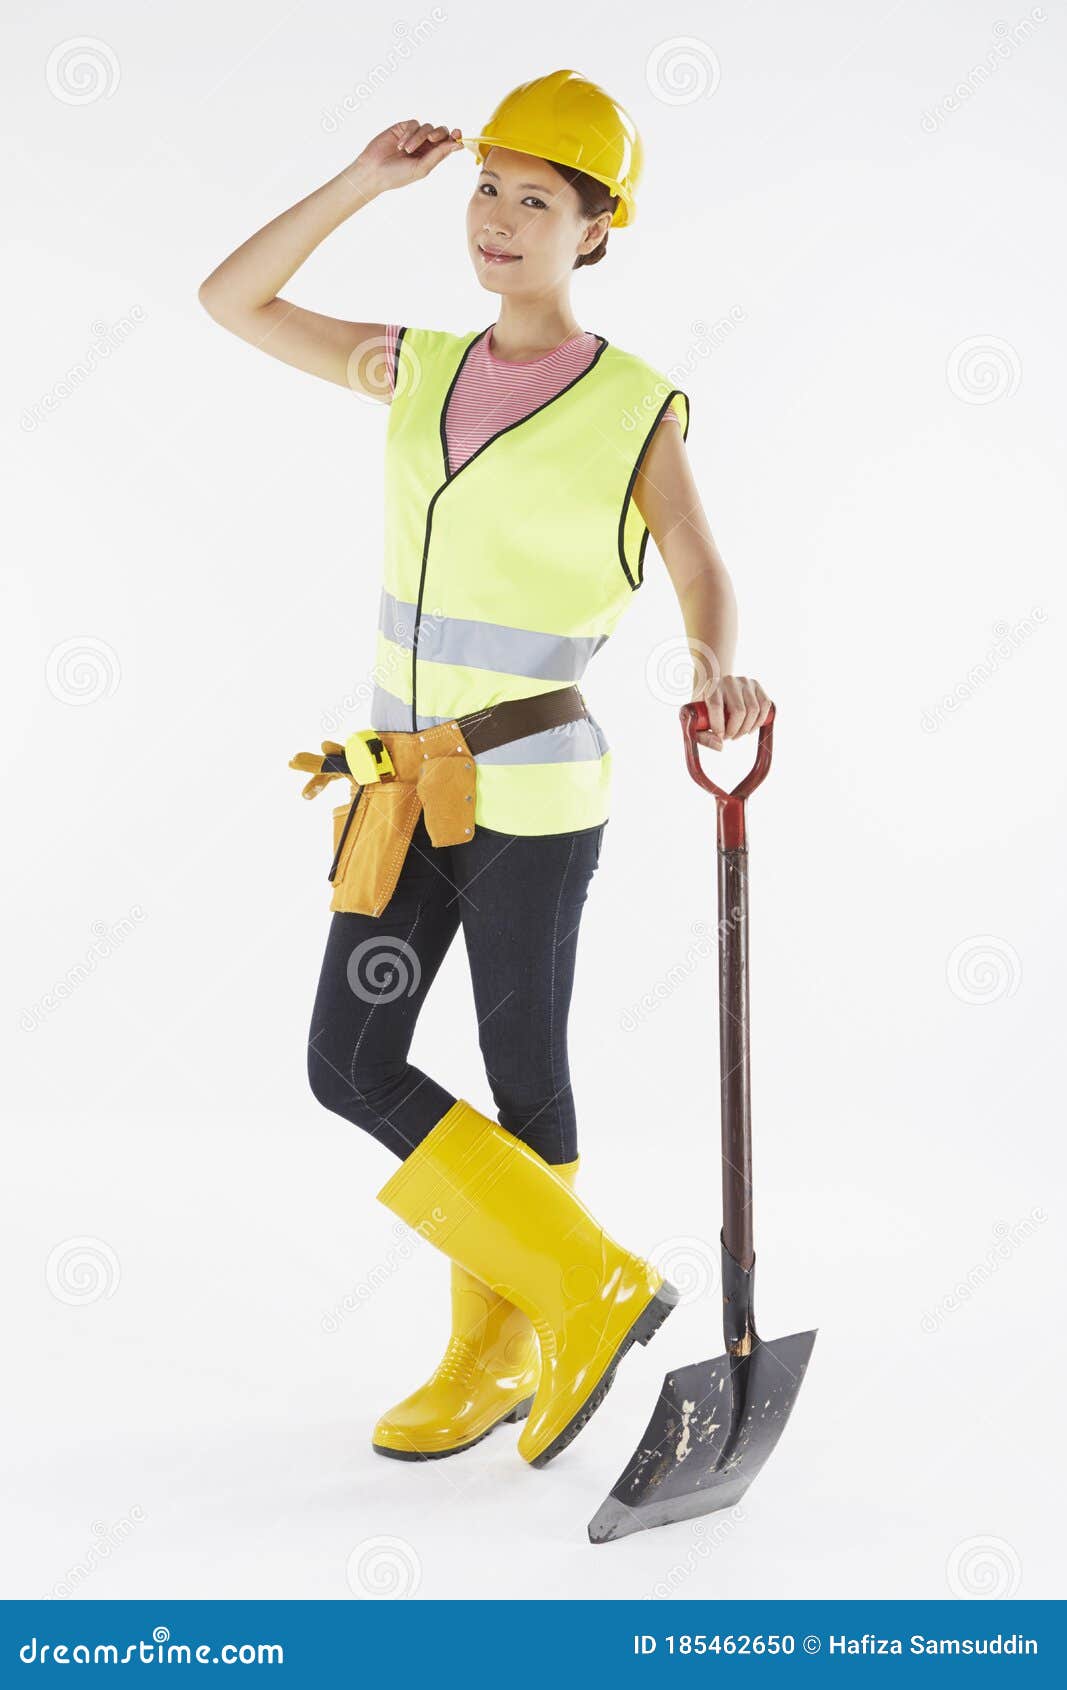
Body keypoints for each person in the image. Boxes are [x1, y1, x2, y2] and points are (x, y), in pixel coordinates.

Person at [199, 69, 772, 1471]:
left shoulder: (634, 403)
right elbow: (233, 299)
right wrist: (359, 183)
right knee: (350, 1058)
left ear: (595, 231)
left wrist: (713, 665)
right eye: (486, 191)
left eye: (539, 200)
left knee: (526, 1066)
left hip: (533, 790)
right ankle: (585, 1284)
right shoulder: (420, 365)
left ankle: (498, 1345)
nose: (500, 220)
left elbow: (699, 567)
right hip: (399, 784)